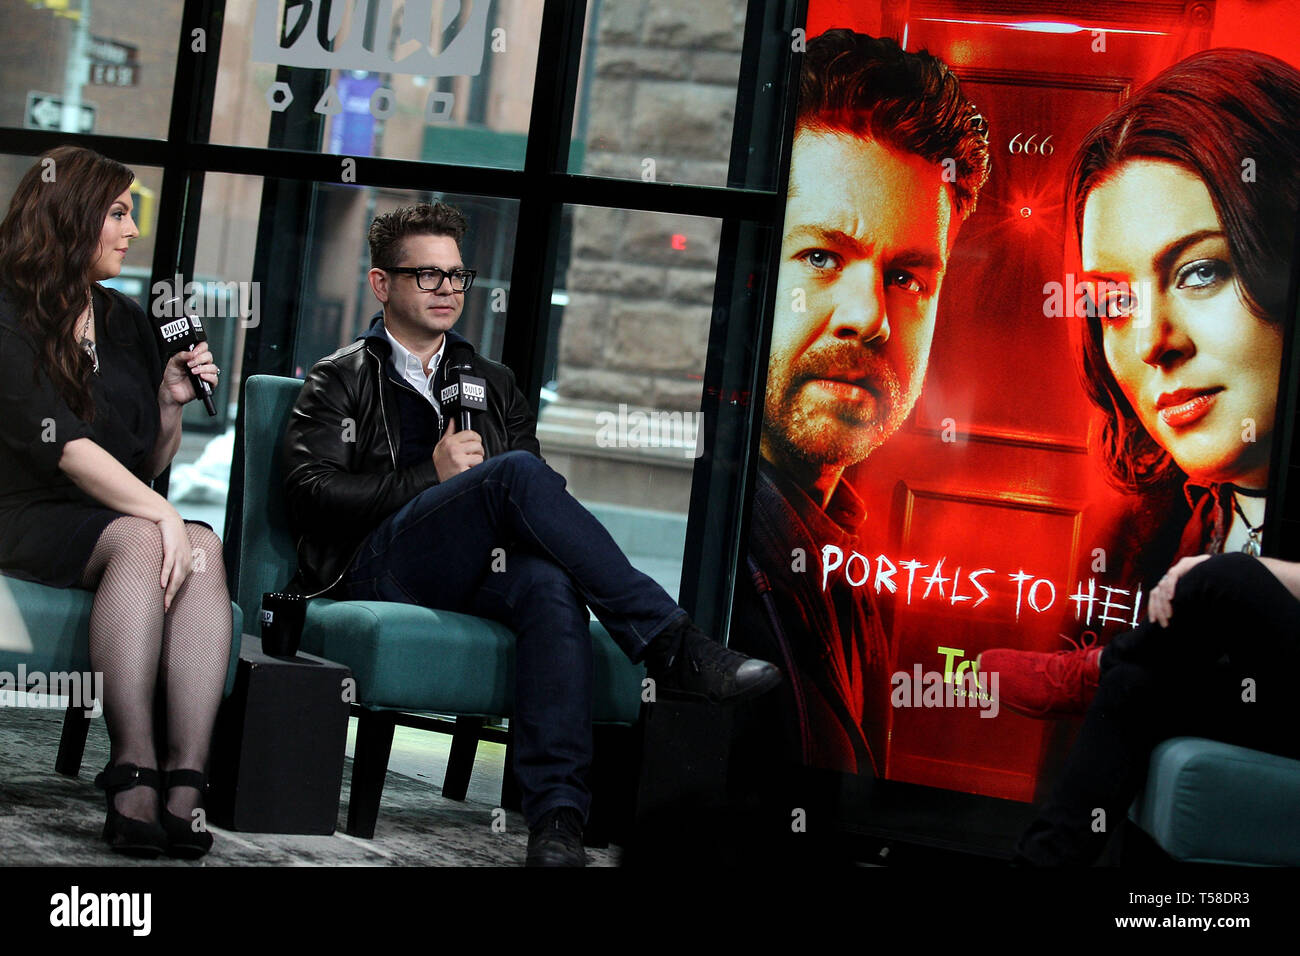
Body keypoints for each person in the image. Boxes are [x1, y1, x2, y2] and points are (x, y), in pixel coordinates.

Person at [282, 201, 782, 867]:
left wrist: (477, 494)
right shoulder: (341, 376)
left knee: (547, 584)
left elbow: (537, 508)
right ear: (382, 284)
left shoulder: (491, 382)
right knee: (513, 475)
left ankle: (557, 825)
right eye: (427, 276)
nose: (447, 291)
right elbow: (308, 496)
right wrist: (425, 478)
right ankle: (672, 645)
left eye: (457, 276)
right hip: (375, 566)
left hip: (473, 567)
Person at [976, 48, 1300, 864]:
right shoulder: (1157, 527)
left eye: (1200, 271)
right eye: (1115, 302)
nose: (1153, 342)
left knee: (1217, 586)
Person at [729, 30, 990, 774]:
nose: (868, 316)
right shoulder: (712, 543)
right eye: (822, 257)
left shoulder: (848, 561)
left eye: (907, 277)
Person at [0, 146, 229, 858]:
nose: (132, 231)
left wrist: (169, 406)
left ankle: (186, 778)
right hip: (21, 509)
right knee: (149, 534)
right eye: (120, 213)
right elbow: (62, 448)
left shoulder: (126, 319)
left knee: (203, 544)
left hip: (102, 516)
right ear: (71, 215)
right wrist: (158, 514)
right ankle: (131, 765)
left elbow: (143, 466)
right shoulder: (7, 307)